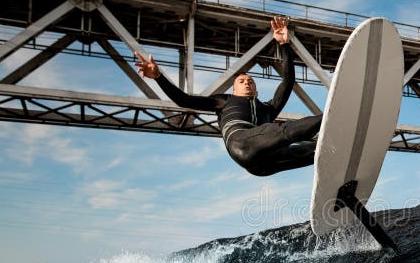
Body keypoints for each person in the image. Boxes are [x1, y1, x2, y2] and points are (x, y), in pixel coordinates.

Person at [134, 16, 323, 176]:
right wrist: (158, 77)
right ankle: (331, 117)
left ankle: (342, 161)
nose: (247, 82)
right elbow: (183, 100)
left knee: (314, 150)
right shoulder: (224, 101)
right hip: (242, 144)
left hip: (262, 165)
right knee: (284, 130)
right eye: (241, 81)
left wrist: (284, 44)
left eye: (250, 81)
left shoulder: (268, 109)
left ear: (256, 90)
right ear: (233, 91)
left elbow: (288, 81)